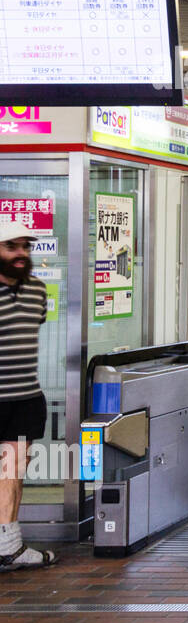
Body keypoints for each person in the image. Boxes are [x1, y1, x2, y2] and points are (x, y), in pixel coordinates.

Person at [0, 220, 57, 571]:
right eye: (11, 247)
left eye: (25, 246)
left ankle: (9, 545)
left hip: (24, 398)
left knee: (13, 472)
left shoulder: (37, 290)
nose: (21, 254)